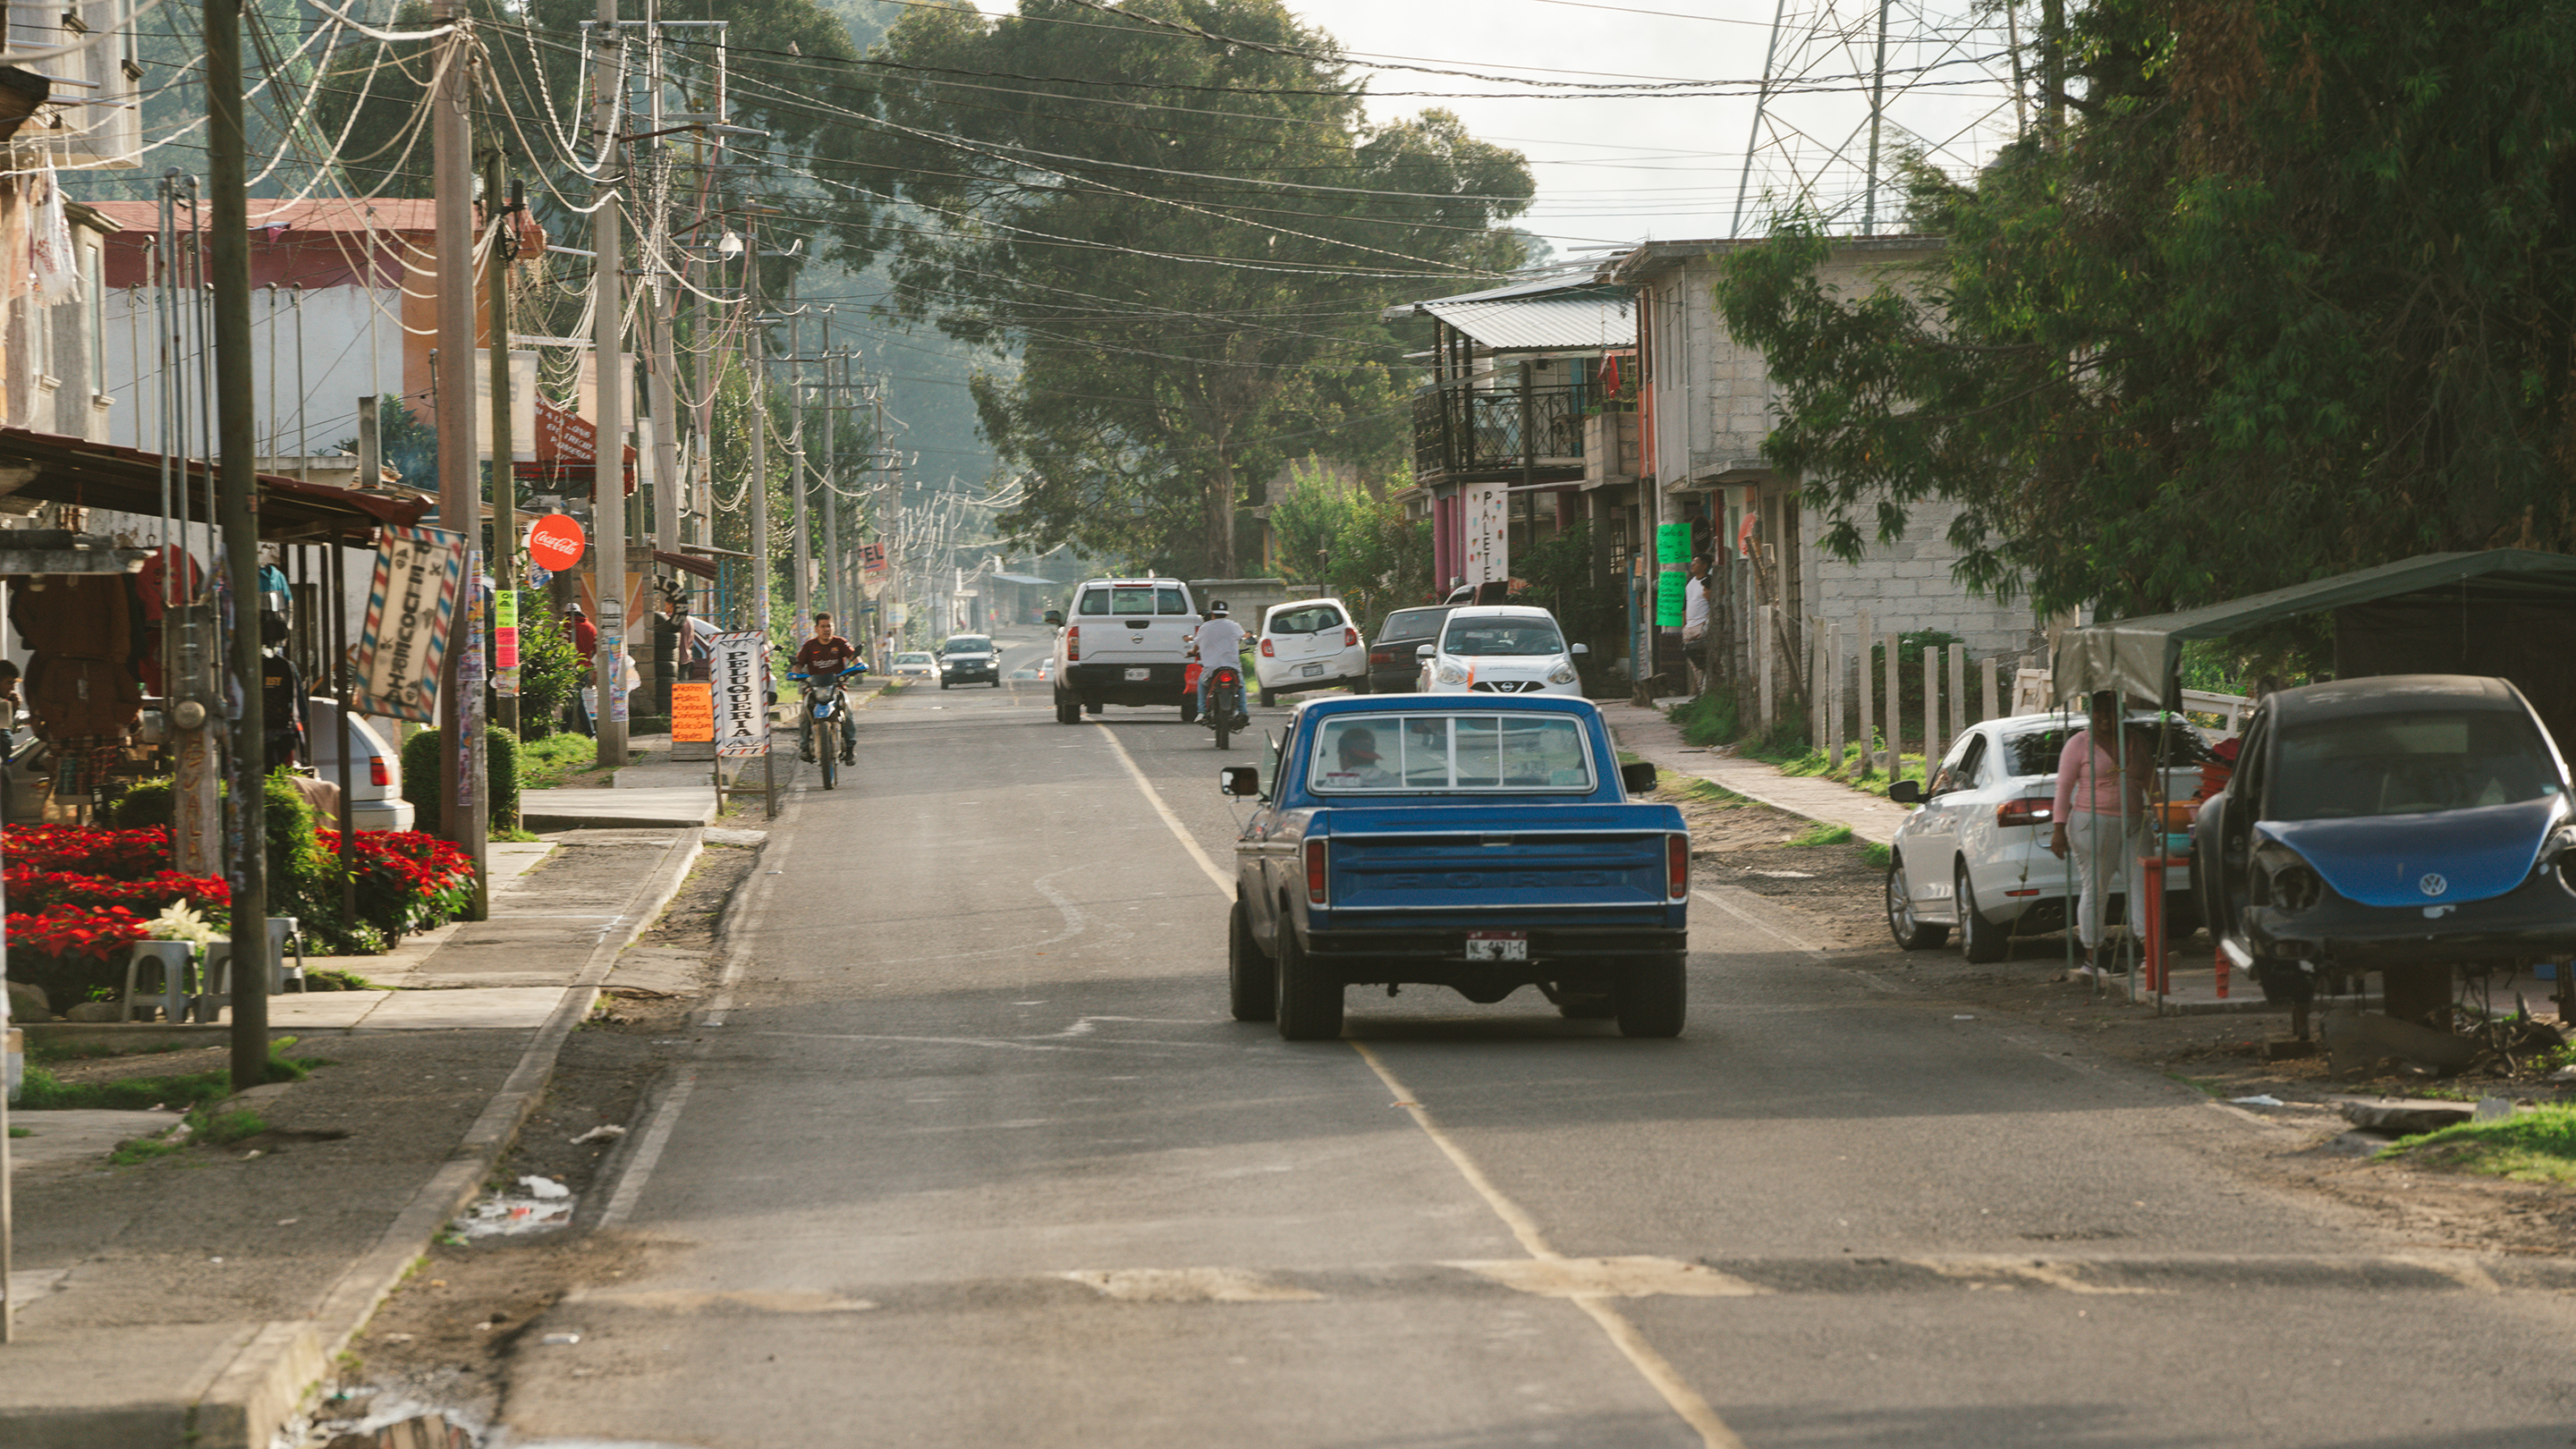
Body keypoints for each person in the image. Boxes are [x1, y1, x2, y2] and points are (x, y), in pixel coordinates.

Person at [2048, 691, 2157, 978]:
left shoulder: (2137, 741)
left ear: (2121, 712)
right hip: (2092, 825)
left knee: (2144, 886)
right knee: (2096, 889)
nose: (2105, 717)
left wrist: (2163, 816)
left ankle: (2150, 954)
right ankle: (2093, 957)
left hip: (2136, 823)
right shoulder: (2078, 744)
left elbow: (2151, 782)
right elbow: (2063, 787)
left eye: (2111, 711)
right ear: (2090, 713)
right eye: (2098, 711)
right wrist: (2058, 828)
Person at [792, 611, 860, 763]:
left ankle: (850, 747)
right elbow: (798, 664)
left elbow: (854, 657)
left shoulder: (840, 643)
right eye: (823, 626)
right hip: (814, 689)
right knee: (804, 712)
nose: (826, 629)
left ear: (833, 627)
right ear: (816, 628)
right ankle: (804, 747)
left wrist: (860, 665)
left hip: (837, 687)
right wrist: (794, 673)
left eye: (829, 626)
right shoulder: (809, 646)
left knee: (847, 710)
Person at [1187, 601, 1246, 719]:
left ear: (1212, 613)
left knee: (1201, 683)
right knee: (1240, 684)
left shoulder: (1204, 627)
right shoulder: (1234, 625)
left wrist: (1193, 652)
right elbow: (1241, 638)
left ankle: (1202, 711)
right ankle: (1243, 712)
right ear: (1226, 614)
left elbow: (1197, 645)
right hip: (1232, 669)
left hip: (1211, 671)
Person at [564, 605, 598, 737]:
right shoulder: (591, 628)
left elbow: (559, 646)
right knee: (573, 699)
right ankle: (566, 729)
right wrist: (595, 671)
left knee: (577, 700)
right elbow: (597, 651)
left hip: (569, 668)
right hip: (584, 668)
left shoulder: (566, 627)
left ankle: (590, 733)